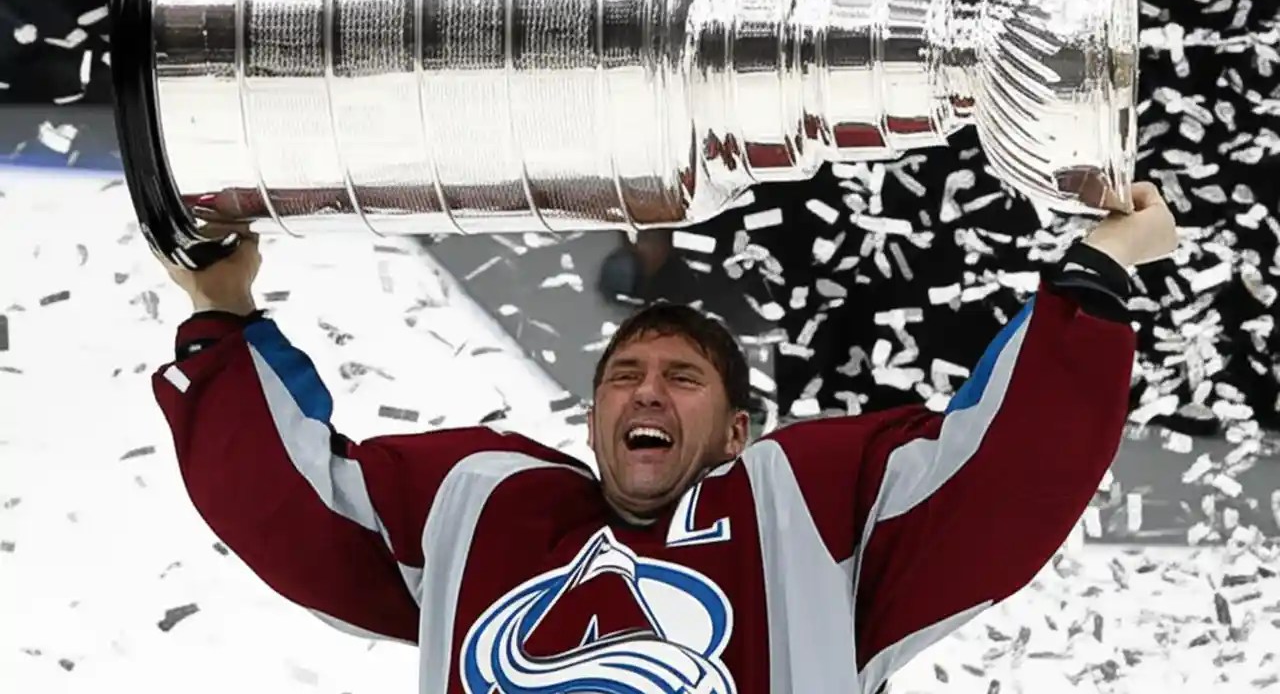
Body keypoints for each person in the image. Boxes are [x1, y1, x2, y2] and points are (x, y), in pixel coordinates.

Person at [151, 183, 1179, 694]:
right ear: (594, 419)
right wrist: (221, 312)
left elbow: (998, 477)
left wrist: (1091, 281)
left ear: (735, 429)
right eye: (623, 377)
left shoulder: (805, 515)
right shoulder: (484, 503)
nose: (646, 389)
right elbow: (292, 507)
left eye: (681, 377)